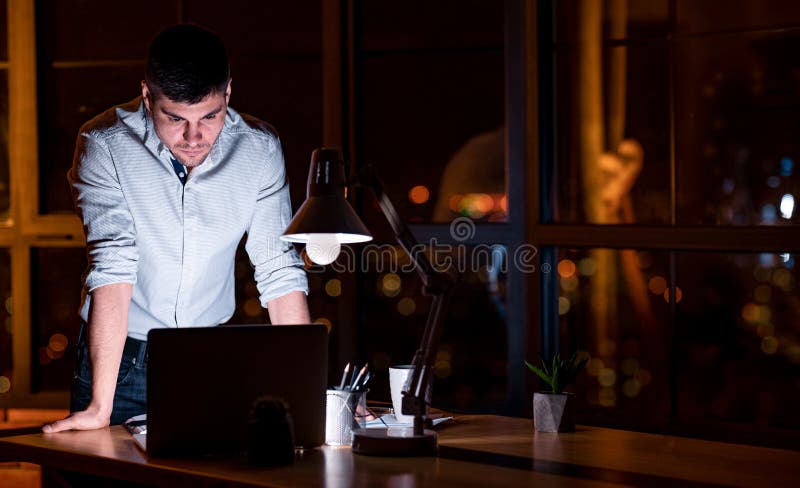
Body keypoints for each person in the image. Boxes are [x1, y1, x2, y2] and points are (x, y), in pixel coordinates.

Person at [43, 24, 310, 433]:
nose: (193, 137)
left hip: (208, 356)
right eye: (174, 118)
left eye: (210, 116)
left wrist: (308, 389)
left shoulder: (259, 148)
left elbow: (278, 269)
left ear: (228, 93)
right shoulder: (104, 144)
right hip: (121, 360)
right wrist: (101, 404)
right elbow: (113, 265)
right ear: (148, 95)